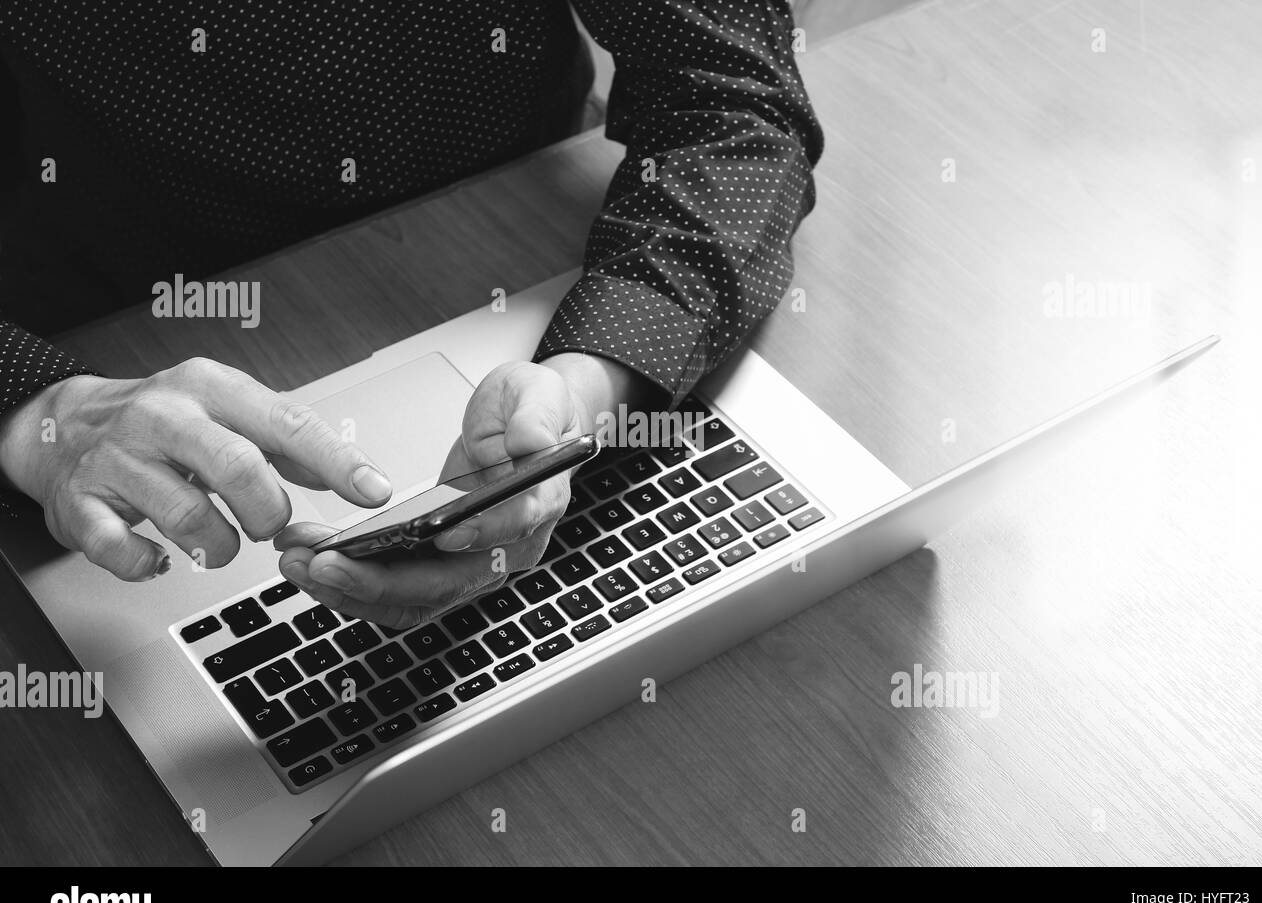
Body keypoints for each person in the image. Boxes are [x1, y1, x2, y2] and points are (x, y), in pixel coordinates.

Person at [0, 0, 822, 629]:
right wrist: (38, 410)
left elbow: (729, 99)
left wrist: (589, 384)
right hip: (104, 328)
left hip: (518, 256)